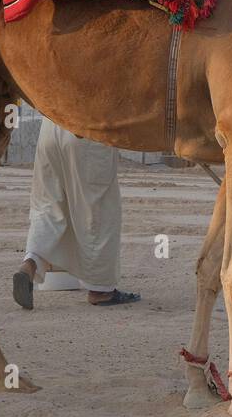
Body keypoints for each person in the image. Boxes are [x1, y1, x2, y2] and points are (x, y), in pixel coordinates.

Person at [12, 117, 140, 309]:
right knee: (97, 211)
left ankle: (30, 264)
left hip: (49, 129)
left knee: (49, 206)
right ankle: (101, 290)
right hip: (87, 130)